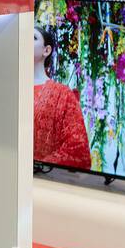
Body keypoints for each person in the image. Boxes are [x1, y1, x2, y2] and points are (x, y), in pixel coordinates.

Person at [33, 25, 91, 170]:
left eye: (33, 38)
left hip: (43, 182)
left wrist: (38, 166)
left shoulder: (62, 94)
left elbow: (78, 150)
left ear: (46, 50)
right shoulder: (6, 87)